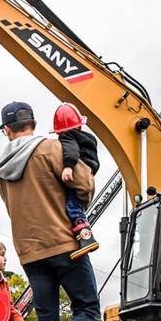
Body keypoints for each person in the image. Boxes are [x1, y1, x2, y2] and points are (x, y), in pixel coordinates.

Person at [0, 101, 98, 321]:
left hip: (29, 250)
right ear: (34, 124)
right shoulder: (52, 148)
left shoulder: (0, 168)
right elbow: (85, 183)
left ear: (8, 130)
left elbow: (10, 206)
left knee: (48, 314)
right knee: (88, 309)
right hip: (64, 242)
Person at [52, 103, 102, 259]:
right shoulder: (89, 138)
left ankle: (86, 237)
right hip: (89, 173)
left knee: (72, 207)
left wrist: (68, 166)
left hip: (77, 172)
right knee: (76, 205)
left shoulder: (67, 136)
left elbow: (71, 149)